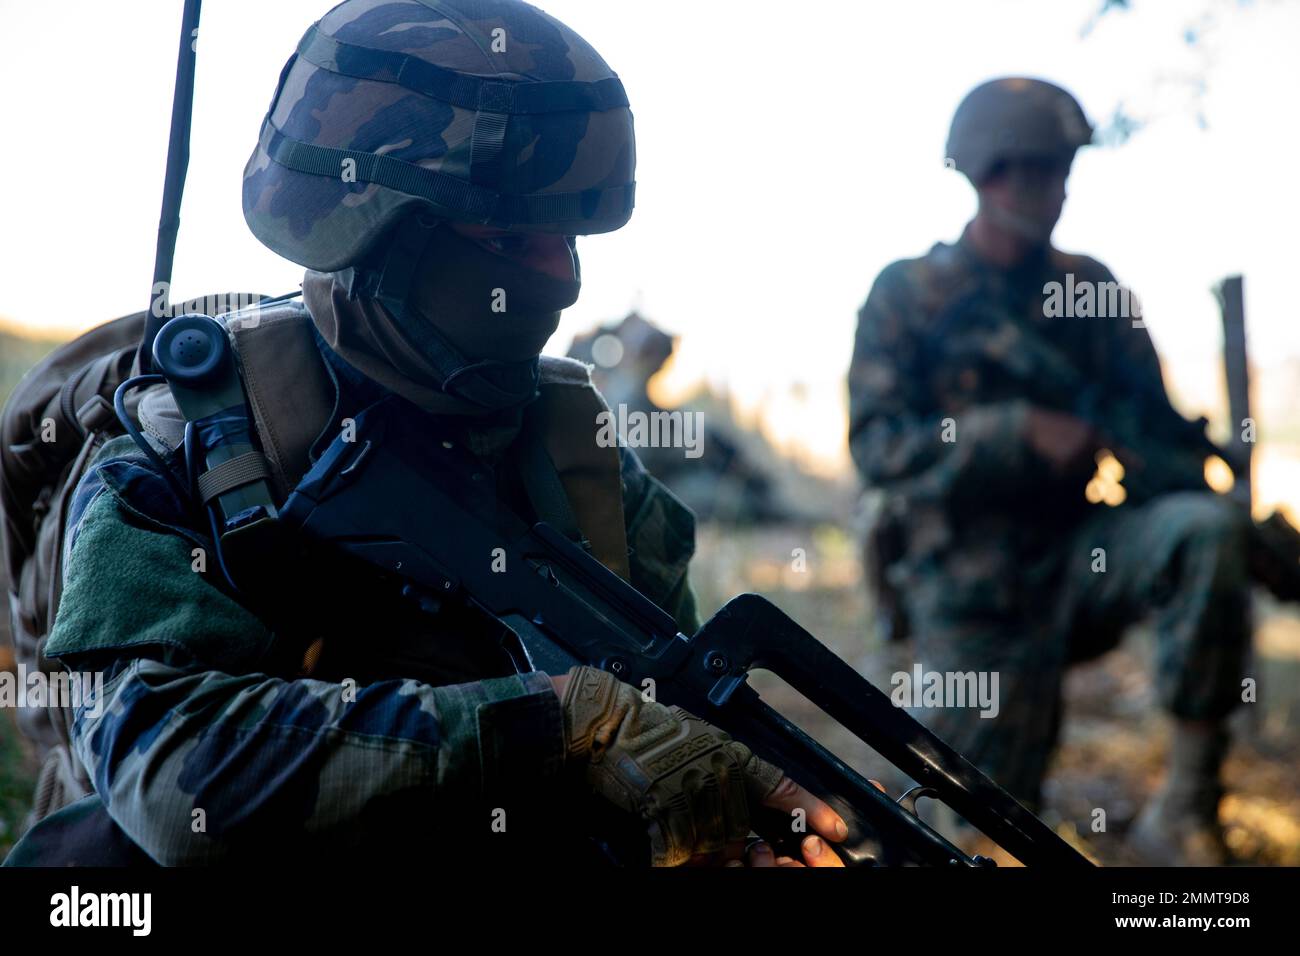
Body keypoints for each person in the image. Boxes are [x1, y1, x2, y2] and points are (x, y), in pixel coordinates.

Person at [6, 0, 847, 869]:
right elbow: (169, 776)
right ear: (381, 234)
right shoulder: (196, 445)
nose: (562, 277)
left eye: (566, 235)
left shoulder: (586, 469)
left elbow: (678, 747)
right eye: (512, 236)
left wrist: (713, 826)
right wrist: (553, 724)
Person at [847, 77, 1252, 865]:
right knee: (971, 830)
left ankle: (1187, 811)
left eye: (1058, 169)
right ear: (978, 173)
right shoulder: (909, 294)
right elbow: (878, 448)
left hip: (1082, 557)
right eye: (1024, 169)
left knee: (1204, 532)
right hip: (970, 585)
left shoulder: (1093, 290)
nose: (1047, 189)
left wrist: (1147, 461)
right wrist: (1013, 433)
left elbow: (1163, 440)